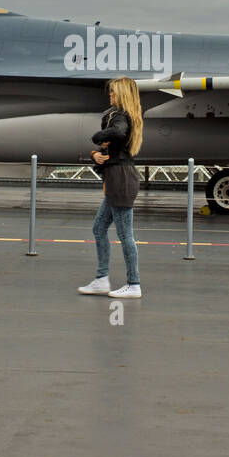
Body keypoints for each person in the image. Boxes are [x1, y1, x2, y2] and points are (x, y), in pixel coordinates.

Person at [79, 77, 144, 299]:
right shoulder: (127, 115)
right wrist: (95, 153)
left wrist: (98, 136)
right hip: (119, 176)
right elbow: (113, 146)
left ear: (122, 94)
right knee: (99, 229)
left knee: (126, 235)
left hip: (120, 178)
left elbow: (117, 133)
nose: (111, 95)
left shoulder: (118, 115)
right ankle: (101, 279)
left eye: (114, 92)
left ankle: (133, 283)